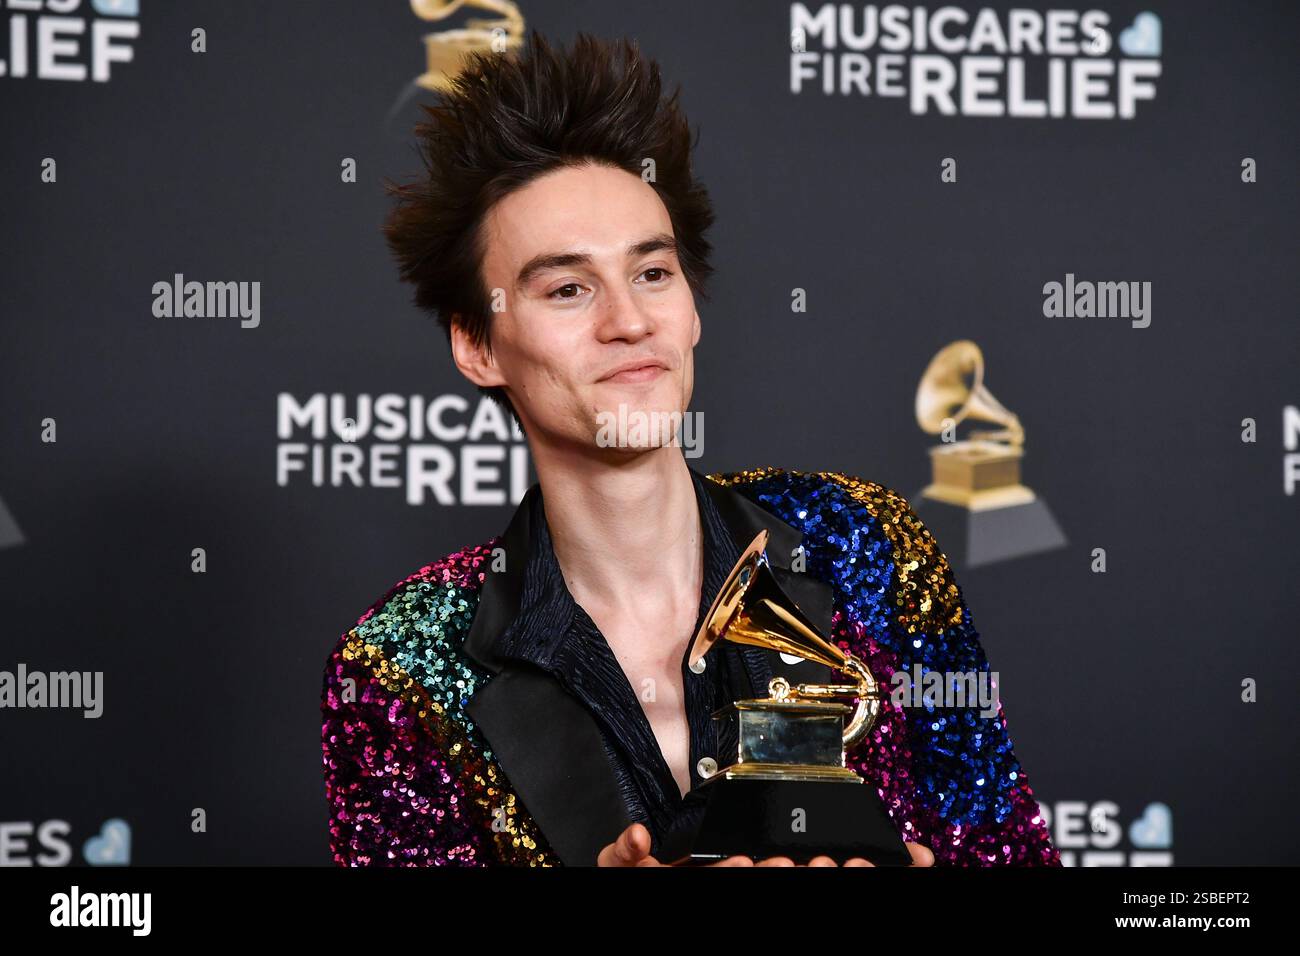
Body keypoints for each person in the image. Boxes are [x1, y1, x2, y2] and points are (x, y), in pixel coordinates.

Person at [319, 30, 1059, 868]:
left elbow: (1009, 852)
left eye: (653, 273)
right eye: (568, 289)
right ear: (478, 346)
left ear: (692, 309)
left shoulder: (864, 545)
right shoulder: (400, 667)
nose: (628, 321)